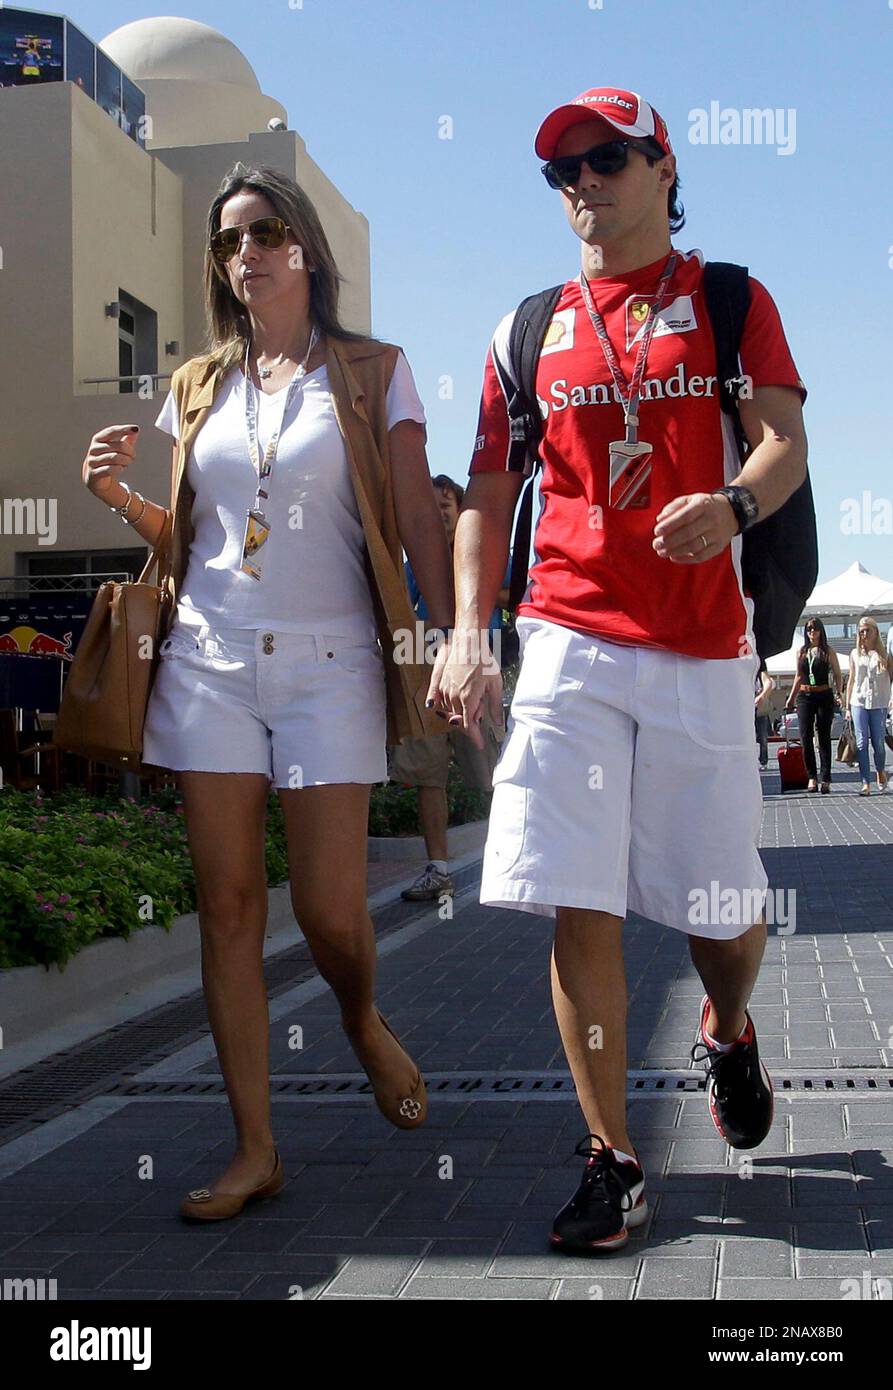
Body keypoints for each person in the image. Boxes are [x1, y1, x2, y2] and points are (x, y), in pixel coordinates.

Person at [430, 86, 808, 1254]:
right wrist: (461, 627)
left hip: (699, 642)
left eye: (603, 161)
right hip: (564, 638)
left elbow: (782, 440)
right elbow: (486, 497)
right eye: (562, 173)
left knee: (719, 904)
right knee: (575, 894)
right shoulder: (526, 326)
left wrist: (736, 500)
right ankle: (612, 1158)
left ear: (659, 165)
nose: (582, 185)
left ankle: (727, 1025)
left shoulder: (730, 299)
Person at [81, 164, 454, 1222]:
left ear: (307, 252)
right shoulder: (198, 384)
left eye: (268, 232)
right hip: (206, 662)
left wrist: (454, 633)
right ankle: (254, 1147)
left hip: (331, 661)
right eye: (231, 237)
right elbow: (197, 540)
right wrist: (115, 496)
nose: (247, 251)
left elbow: (416, 523)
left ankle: (359, 1018)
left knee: (330, 910)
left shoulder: (374, 370)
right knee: (229, 909)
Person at [391, 474, 510, 901]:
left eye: (447, 504)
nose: (441, 511)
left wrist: (477, 592)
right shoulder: (413, 567)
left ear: (461, 511)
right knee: (427, 773)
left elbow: (517, 595)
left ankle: (510, 855)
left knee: (493, 772)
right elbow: (400, 614)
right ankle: (438, 869)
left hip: (476, 671)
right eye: (435, 505)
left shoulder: (485, 556)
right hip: (423, 672)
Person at [784, 618, 843, 794]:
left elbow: (838, 673)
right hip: (805, 695)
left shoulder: (827, 651)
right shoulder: (801, 651)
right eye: (809, 629)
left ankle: (826, 778)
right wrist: (791, 698)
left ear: (821, 631)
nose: (812, 632)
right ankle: (812, 776)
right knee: (805, 735)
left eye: (815, 629)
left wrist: (838, 692)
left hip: (823, 693)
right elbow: (798, 675)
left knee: (823, 735)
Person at [845, 614, 892, 795]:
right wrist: (847, 706)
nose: (864, 634)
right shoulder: (855, 654)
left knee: (878, 742)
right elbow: (852, 680)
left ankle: (880, 770)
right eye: (861, 631)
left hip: (879, 702)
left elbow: (891, 677)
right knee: (862, 742)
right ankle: (865, 782)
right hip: (859, 700)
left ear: (875, 632)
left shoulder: (884, 654)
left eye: (867, 630)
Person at [754, 657, 775, 769]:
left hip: (760, 708)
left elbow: (770, 683)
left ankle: (763, 761)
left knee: (762, 736)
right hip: (745, 706)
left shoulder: (760, 665)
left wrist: (762, 694)